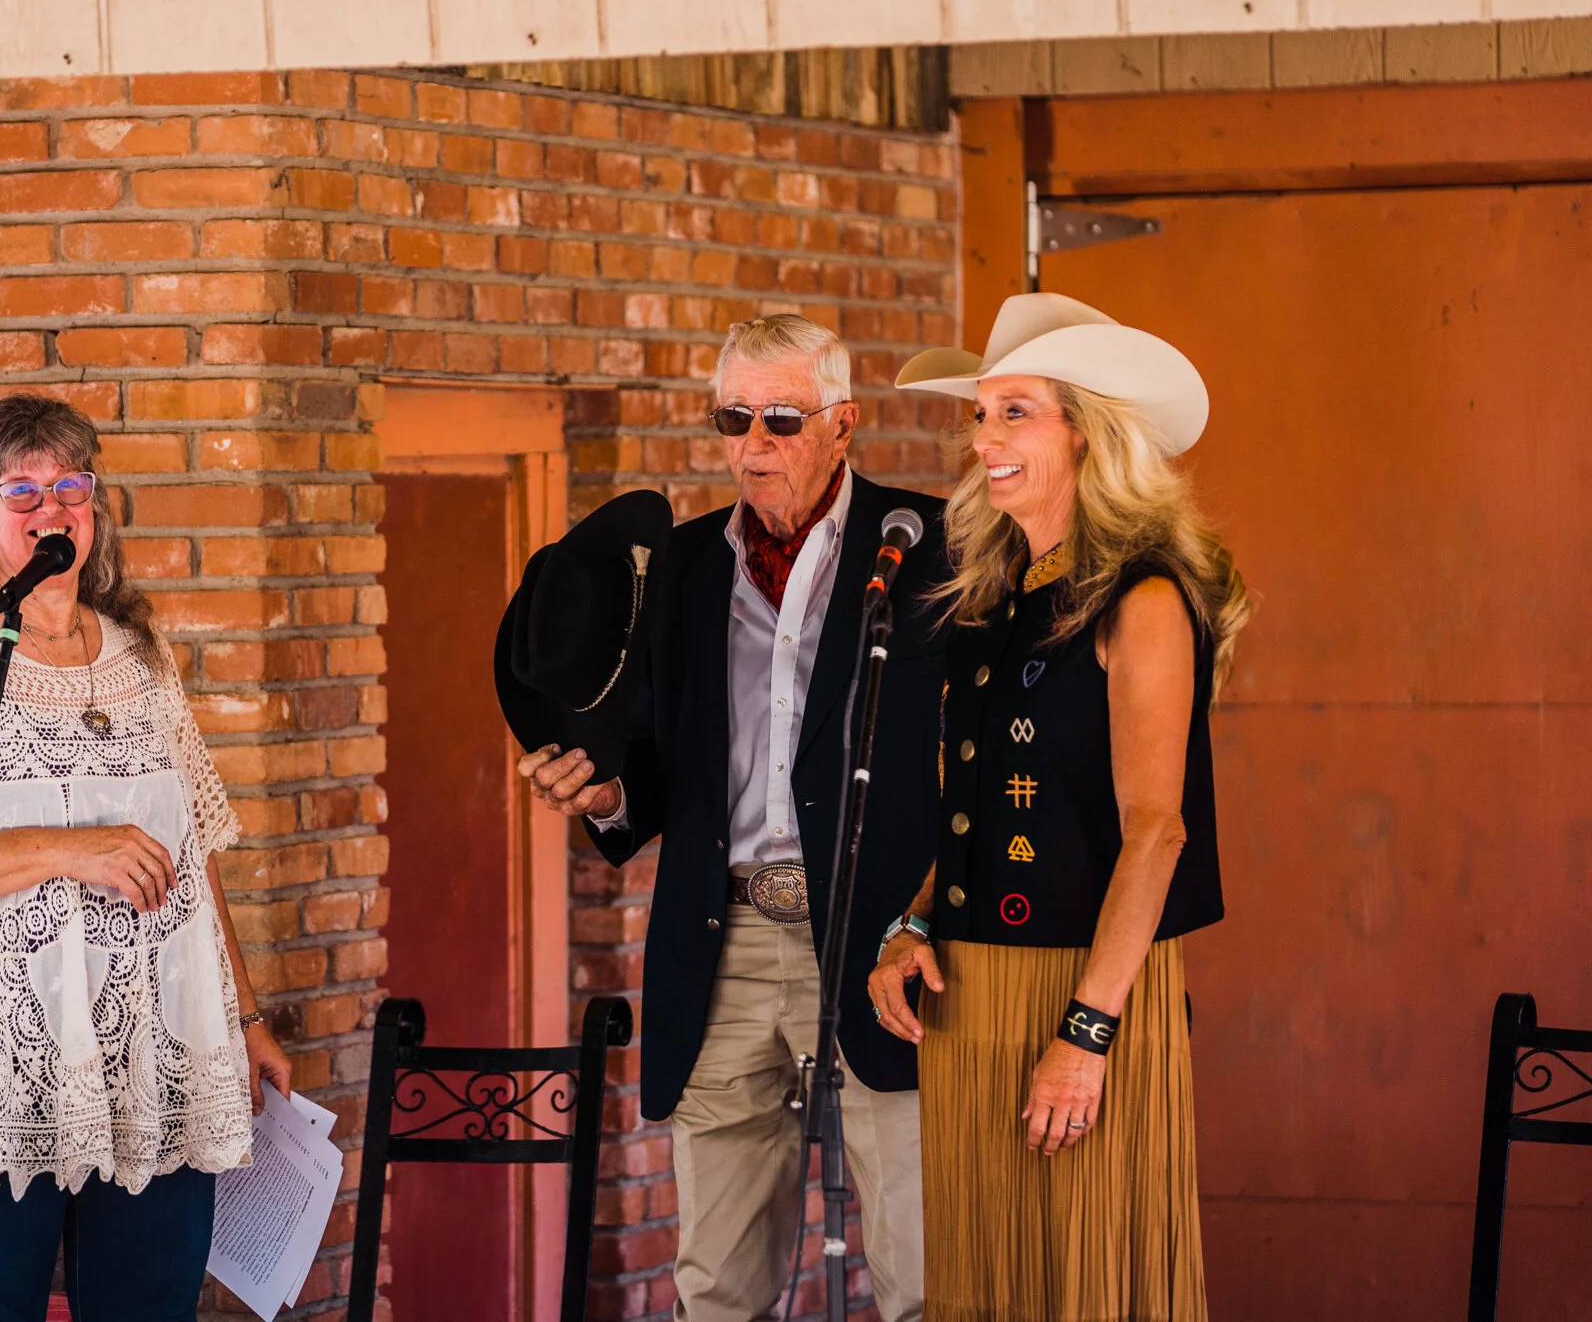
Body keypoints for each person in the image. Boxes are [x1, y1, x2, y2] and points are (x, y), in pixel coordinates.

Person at [0, 395, 293, 1322]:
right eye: (21, 489)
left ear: (96, 506)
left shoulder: (141, 660)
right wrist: (71, 849)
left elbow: (197, 857)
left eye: (72, 484)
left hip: (151, 1064)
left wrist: (245, 1015)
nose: (51, 507)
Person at [519, 315, 949, 1322]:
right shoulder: (678, 567)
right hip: (726, 939)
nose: (752, 444)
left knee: (922, 1272)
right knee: (714, 1283)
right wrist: (606, 795)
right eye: (732, 419)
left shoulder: (927, 549)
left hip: (880, 939)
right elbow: (653, 768)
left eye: (782, 419)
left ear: (843, 424)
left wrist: (931, 913)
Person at [869, 294, 1250, 1322]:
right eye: (979, 415)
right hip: (968, 995)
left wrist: (1085, 1035)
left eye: (1014, 413)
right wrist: (910, 924)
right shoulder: (990, 596)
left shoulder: (1145, 599)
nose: (983, 439)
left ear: (1086, 429)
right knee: (986, 1286)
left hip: (1089, 996)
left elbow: (1154, 831)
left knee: (1089, 1284)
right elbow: (976, 816)